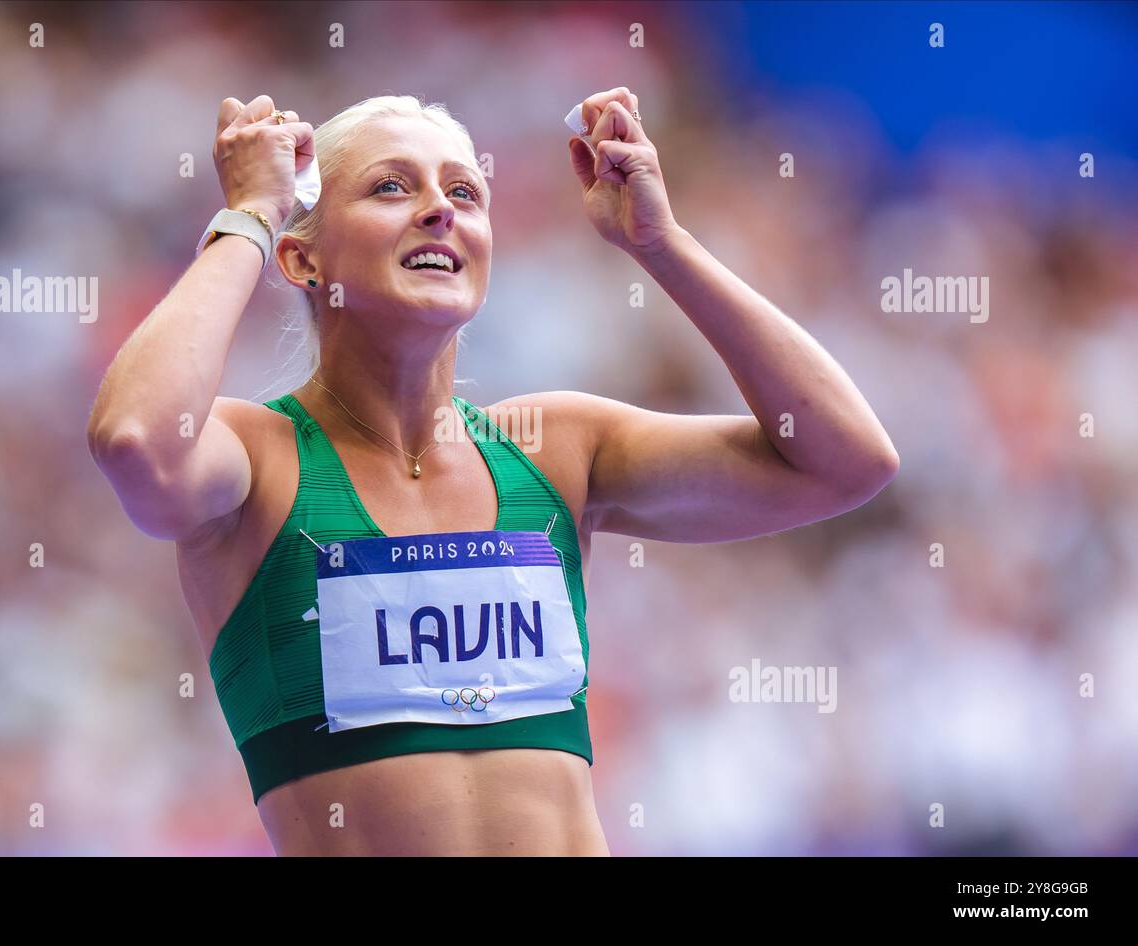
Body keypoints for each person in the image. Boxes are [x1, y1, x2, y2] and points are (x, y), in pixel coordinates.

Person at [86, 88, 899, 856]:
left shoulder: (558, 447)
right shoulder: (256, 460)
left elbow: (843, 462)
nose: (440, 208)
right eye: (391, 187)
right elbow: (134, 436)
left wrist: (663, 244)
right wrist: (250, 217)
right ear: (303, 261)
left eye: (466, 194)